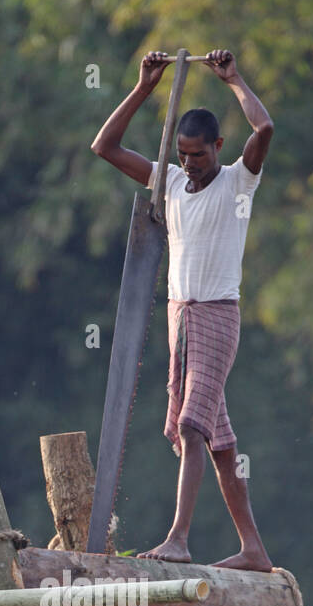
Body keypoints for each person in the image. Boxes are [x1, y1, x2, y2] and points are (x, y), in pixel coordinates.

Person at [91, 47, 274, 570]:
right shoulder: (168, 181)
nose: (191, 164)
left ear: (218, 146)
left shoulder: (239, 182)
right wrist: (145, 86)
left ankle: (178, 538)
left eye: (200, 154)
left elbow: (264, 132)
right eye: (185, 154)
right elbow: (104, 145)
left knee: (194, 425)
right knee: (218, 443)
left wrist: (234, 79)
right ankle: (254, 550)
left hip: (217, 315)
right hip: (180, 317)